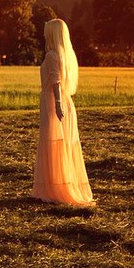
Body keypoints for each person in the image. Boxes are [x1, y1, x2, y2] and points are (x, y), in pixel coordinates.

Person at [33, 18, 94, 206]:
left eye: (46, 31)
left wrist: (57, 104)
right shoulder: (66, 55)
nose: (43, 35)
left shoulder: (52, 55)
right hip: (67, 103)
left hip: (54, 102)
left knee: (53, 143)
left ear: (52, 33)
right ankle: (61, 185)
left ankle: (55, 188)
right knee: (64, 144)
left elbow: (56, 82)